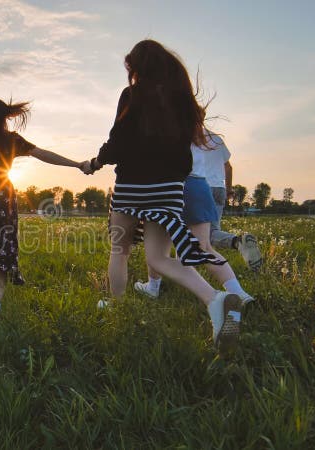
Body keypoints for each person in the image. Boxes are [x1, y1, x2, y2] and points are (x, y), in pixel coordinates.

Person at [84, 40, 243, 353]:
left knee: (120, 249)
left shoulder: (133, 95)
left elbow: (117, 141)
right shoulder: (182, 101)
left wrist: (96, 162)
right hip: (170, 189)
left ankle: (116, 304)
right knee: (158, 257)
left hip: (133, 187)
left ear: (138, 67)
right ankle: (216, 300)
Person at [0, 92, 86, 313]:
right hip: (4, 197)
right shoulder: (12, 139)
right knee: (4, 249)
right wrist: (77, 164)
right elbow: (43, 154)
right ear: (6, 117)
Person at [134, 131, 255, 305]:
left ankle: (153, 287)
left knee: (158, 250)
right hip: (198, 184)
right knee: (204, 248)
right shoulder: (199, 130)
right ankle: (240, 294)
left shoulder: (160, 120)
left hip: (168, 185)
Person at [202, 131, 262, 271]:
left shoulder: (190, 137)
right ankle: (239, 242)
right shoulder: (216, 138)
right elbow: (228, 167)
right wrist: (228, 189)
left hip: (200, 187)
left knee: (201, 233)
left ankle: (237, 241)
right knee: (211, 231)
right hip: (218, 189)